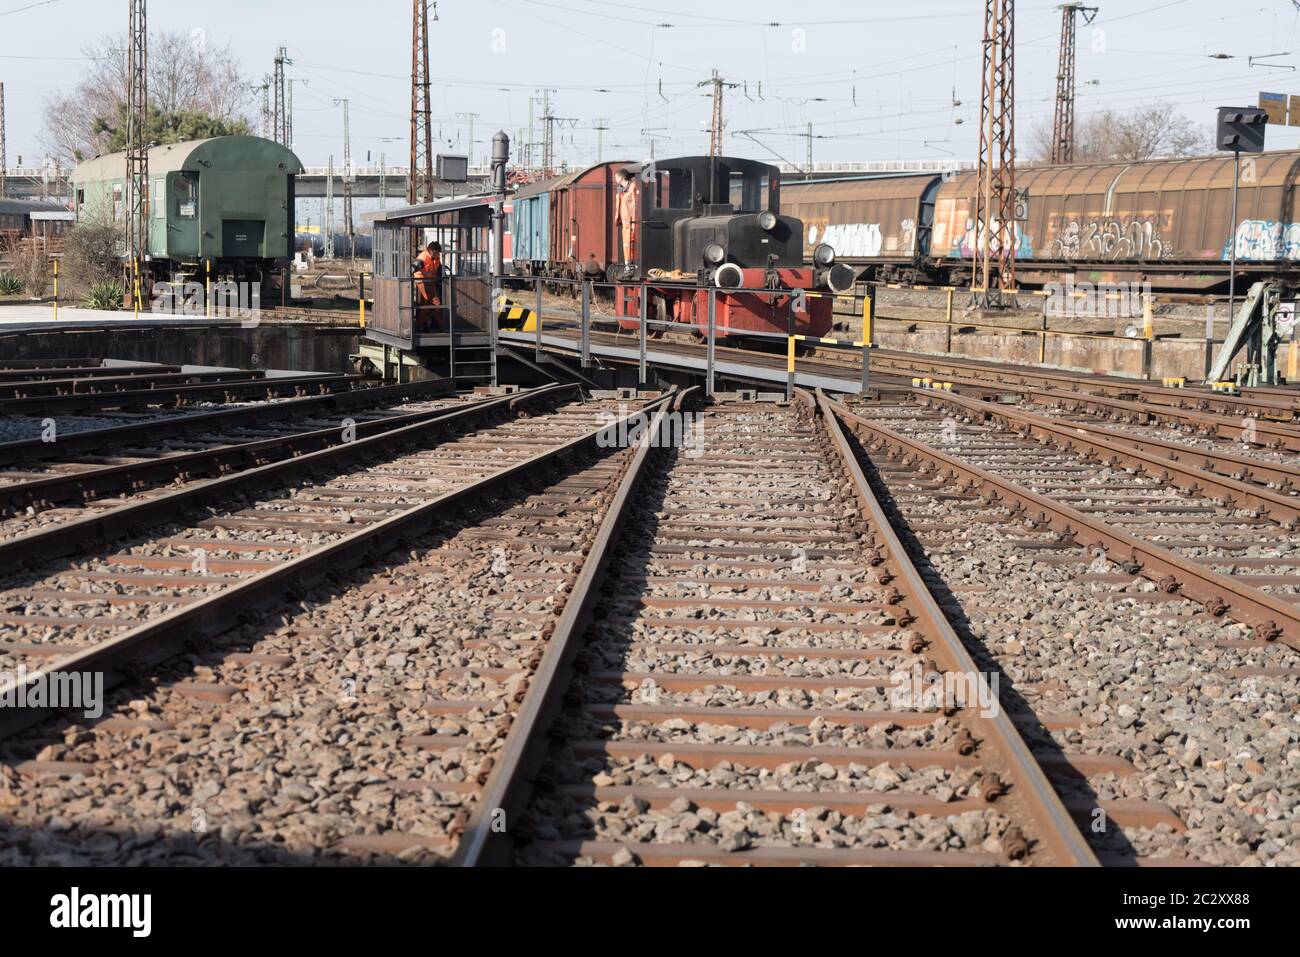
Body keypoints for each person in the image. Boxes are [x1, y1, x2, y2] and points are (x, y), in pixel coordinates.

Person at [413, 240, 445, 331]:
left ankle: (419, 324)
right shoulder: (423, 257)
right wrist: (421, 271)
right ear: (431, 251)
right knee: (435, 303)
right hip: (422, 280)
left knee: (430, 304)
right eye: (437, 253)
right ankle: (442, 326)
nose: (438, 255)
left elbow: (439, 268)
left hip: (431, 281)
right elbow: (414, 267)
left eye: (439, 253)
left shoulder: (436, 257)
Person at [614, 168, 639, 268]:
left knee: (632, 244)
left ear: (621, 178)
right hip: (624, 223)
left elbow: (634, 206)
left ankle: (632, 263)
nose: (615, 179)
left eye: (616, 177)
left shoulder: (633, 188)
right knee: (626, 245)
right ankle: (627, 263)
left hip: (631, 222)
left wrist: (633, 221)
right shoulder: (620, 190)